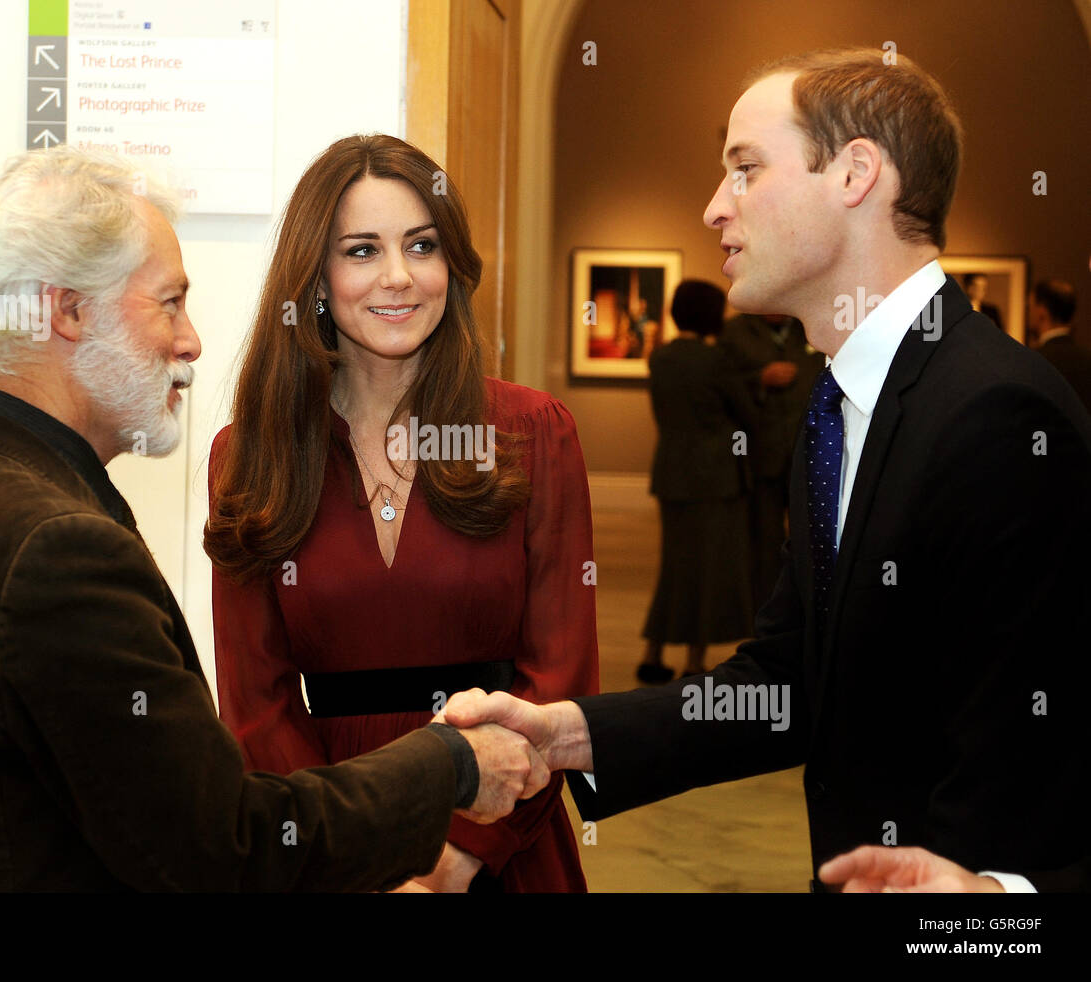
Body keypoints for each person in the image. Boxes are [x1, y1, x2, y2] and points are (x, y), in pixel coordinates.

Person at [440, 48, 1091, 893]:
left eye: (745, 169)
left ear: (855, 174)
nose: (715, 206)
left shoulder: (995, 414)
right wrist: (567, 734)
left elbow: (1026, 771)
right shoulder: (842, 405)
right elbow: (787, 681)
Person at [0, 145, 548, 892]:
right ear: (68, 311)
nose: (190, 340)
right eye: (169, 302)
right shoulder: (57, 547)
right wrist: (450, 763)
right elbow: (222, 846)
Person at [205, 134, 599, 893]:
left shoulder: (533, 432)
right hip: (330, 844)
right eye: (362, 251)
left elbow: (562, 677)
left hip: (506, 839)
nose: (398, 276)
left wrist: (452, 860)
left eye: (422, 246)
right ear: (316, 280)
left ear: (452, 266)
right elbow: (255, 706)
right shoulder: (251, 454)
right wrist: (347, 861)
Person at [637, 279, 757, 684]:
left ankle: (653, 652)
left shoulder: (660, 358)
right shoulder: (716, 360)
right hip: (715, 475)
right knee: (707, 569)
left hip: (672, 471)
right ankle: (694, 659)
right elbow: (747, 411)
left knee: (674, 566)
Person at [720, 312, 823, 612]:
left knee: (812, 535)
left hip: (809, 449)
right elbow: (722, 385)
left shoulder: (810, 325)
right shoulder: (736, 332)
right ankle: (764, 610)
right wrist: (759, 380)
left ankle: (807, 608)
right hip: (759, 450)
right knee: (764, 539)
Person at [1029, 278, 1091, 410]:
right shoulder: (1087, 357)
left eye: (1030, 307)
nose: (1028, 313)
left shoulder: (1033, 361)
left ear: (1041, 312)